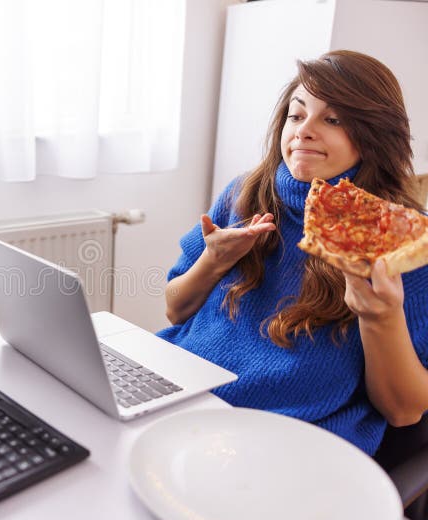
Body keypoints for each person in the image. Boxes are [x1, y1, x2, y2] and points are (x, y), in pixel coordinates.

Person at [158, 50, 428, 456]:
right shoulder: (242, 193)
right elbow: (175, 310)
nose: (304, 131)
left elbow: (404, 411)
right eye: (296, 115)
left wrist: (380, 315)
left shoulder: (398, 239)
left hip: (279, 444)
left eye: (333, 120)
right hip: (179, 399)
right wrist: (213, 261)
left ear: (374, 136)